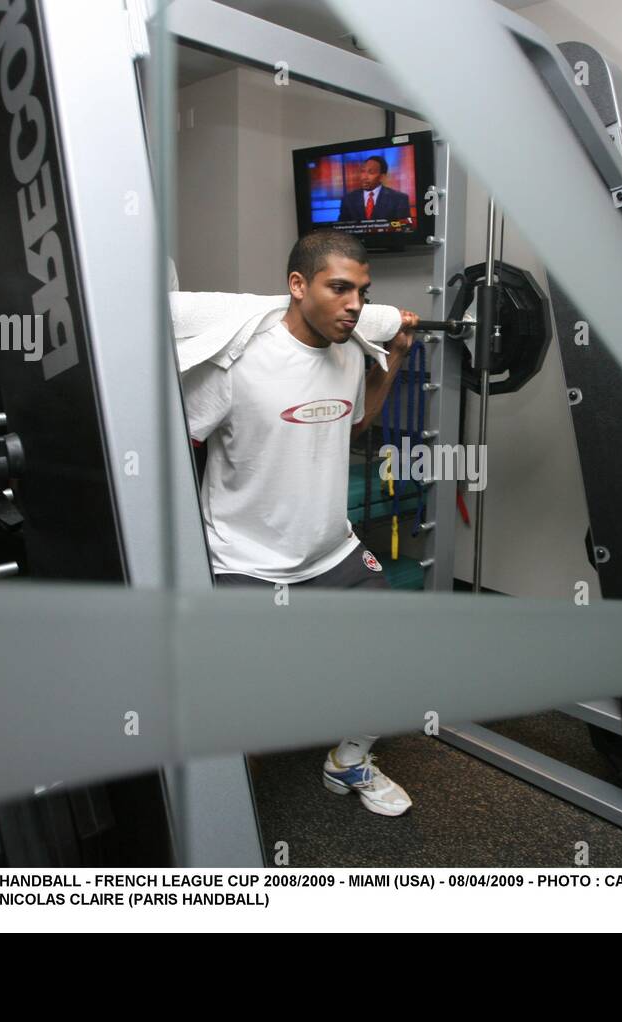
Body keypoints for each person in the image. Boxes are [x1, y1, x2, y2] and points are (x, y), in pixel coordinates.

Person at [177, 229, 419, 817]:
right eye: (339, 288)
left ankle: (350, 761)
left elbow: (353, 426)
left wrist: (395, 362)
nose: (355, 304)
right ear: (297, 286)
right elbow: (181, 447)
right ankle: (217, 806)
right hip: (246, 560)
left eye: (362, 291)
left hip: (329, 549)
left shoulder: (348, 354)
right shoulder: (236, 364)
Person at [337, 155, 411, 224]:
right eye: (363, 171)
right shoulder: (348, 199)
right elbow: (341, 230)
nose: (364, 177)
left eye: (371, 172)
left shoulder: (399, 199)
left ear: (382, 177)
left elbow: (404, 228)